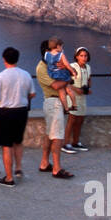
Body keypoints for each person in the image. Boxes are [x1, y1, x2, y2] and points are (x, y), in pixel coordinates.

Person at [0, 46, 35, 186]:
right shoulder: (26, 75)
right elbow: (32, 93)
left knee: (6, 145)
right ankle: (18, 169)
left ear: (4, 59)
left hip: (5, 113)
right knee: (18, 141)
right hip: (21, 111)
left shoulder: (0, 77)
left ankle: (9, 177)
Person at [34, 40, 74, 178]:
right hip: (53, 102)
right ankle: (57, 168)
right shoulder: (41, 68)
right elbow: (56, 85)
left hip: (54, 102)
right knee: (57, 136)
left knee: (50, 135)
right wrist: (68, 79)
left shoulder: (53, 65)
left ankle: (44, 163)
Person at [62, 47, 92, 153]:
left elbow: (89, 79)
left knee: (80, 120)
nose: (84, 58)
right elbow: (65, 81)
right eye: (81, 56)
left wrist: (87, 89)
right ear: (76, 57)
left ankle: (76, 142)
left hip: (82, 97)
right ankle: (65, 143)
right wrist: (76, 89)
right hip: (72, 96)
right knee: (72, 119)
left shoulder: (88, 67)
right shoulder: (72, 66)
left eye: (85, 56)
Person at [43, 36, 80, 113]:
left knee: (61, 92)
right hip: (62, 74)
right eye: (61, 46)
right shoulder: (61, 55)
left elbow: (48, 63)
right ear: (58, 46)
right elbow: (67, 65)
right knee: (69, 89)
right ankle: (74, 105)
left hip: (53, 74)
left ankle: (66, 109)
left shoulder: (46, 54)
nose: (62, 48)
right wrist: (73, 72)